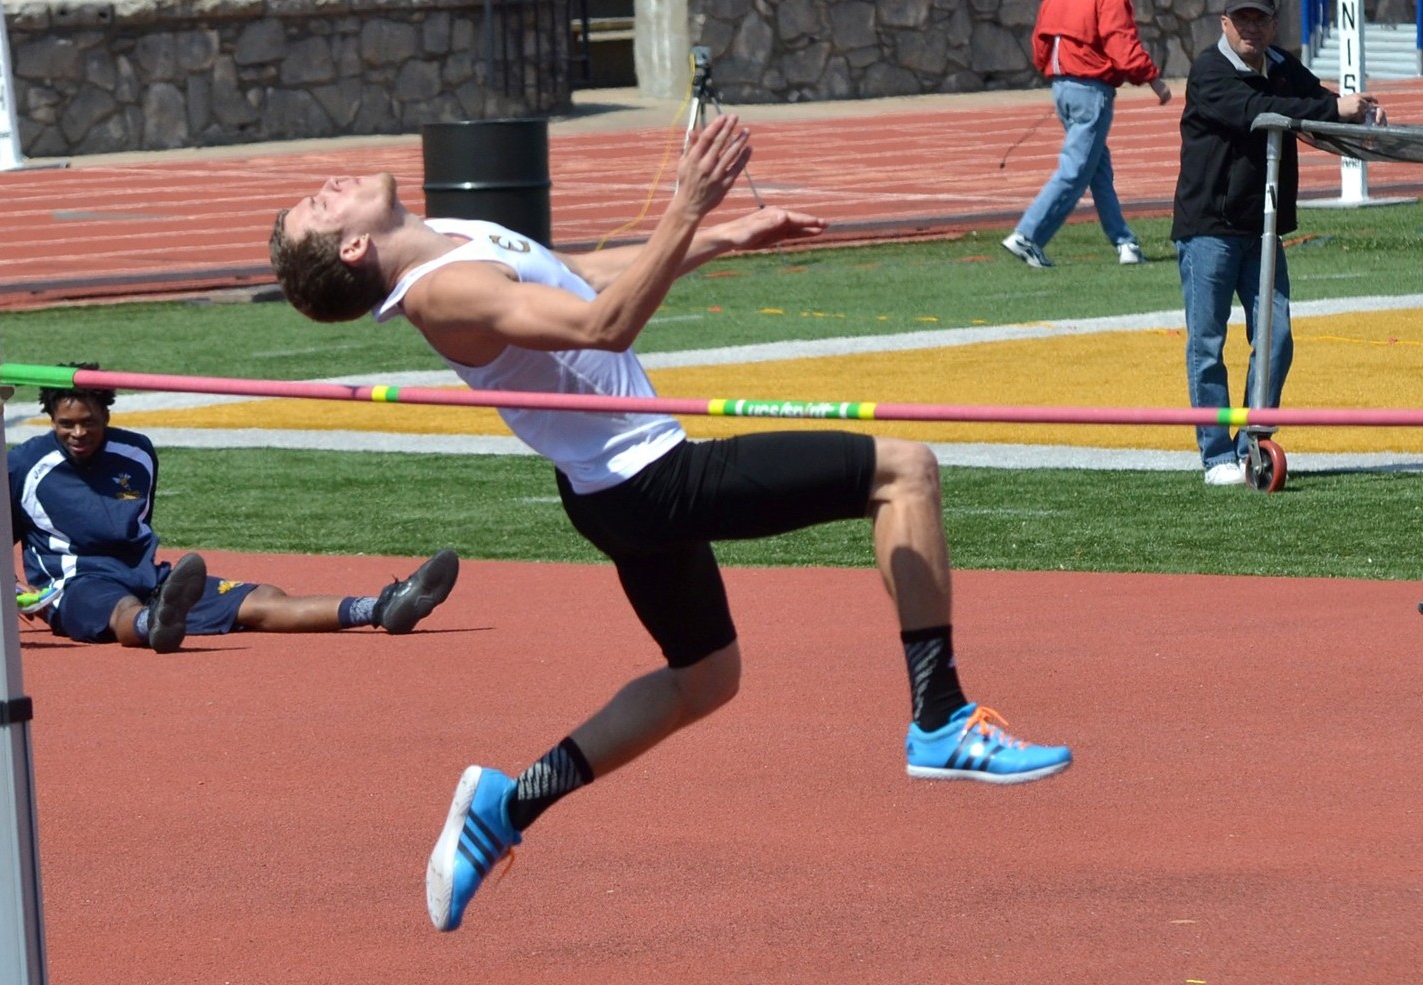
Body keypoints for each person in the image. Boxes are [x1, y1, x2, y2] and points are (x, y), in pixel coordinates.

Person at [267, 113, 1073, 933]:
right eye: (320, 208)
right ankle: (939, 718)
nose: (329, 186)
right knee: (905, 469)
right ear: (354, 251)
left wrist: (721, 234)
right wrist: (684, 203)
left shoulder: (446, 235)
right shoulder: (442, 293)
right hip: (650, 478)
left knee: (706, 677)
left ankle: (507, 808)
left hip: (610, 490)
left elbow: (580, 274)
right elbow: (603, 324)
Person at [0, 367, 459, 653]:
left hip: (149, 577)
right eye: (66, 424)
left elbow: (137, 524)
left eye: (89, 423)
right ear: (50, 419)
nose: (78, 433)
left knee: (264, 597)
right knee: (121, 610)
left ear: (107, 415)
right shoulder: (25, 463)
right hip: (75, 584)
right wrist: (2, 592)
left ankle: (379, 607)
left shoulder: (137, 453)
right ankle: (155, 627)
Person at [1171, 0, 1383, 486]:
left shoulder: (1283, 64)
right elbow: (1257, 112)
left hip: (1263, 228)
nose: (1251, 28)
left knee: (1276, 335)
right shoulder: (1209, 71)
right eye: (1241, 18)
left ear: (1273, 24)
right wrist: (1333, 108)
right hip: (1209, 227)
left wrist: (1361, 112)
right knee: (1207, 342)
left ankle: (1256, 441)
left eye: (1261, 19)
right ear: (1224, 23)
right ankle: (1216, 456)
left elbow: (1316, 100)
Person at [1001, 0, 1172, 269]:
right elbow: (1120, 41)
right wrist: (1153, 79)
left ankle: (1124, 242)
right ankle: (1027, 235)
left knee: (1097, 168)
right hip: (1090, 88)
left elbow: (1041, 42)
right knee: (1076, 169)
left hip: (1062, 85)